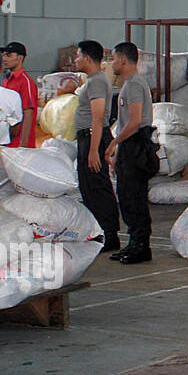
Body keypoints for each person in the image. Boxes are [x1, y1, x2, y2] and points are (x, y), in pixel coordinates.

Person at [105, 42, 159, 264]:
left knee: (134, 196)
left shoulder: (135, 85)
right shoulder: (129, 84)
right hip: (129, 145)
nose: (112, 63)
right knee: (126, 195)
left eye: (114, 59)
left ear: (123, 60)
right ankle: (133, 243)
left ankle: (141, 246)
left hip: (136, 144)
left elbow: (135, 121)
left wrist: (114, 143)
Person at [70, 40, 121, 253]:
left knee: (97, 186)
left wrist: (93, 150)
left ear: (88, 58)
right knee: (89, 186)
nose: (75, 60)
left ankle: (109, 235)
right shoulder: (93, 80)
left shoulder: (97, 82)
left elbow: (98, 117)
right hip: (90, 137)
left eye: (78, 56)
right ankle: (100, 232)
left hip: (94, 138)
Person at [0, 42, 38, 148]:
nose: (4, 59)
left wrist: (23, 144)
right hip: (7, 140)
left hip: (19, 144)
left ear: (20, 58)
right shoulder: (7, 80)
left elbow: (28, 113)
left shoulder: (26, 82)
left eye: (8, 55)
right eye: (3, 55)